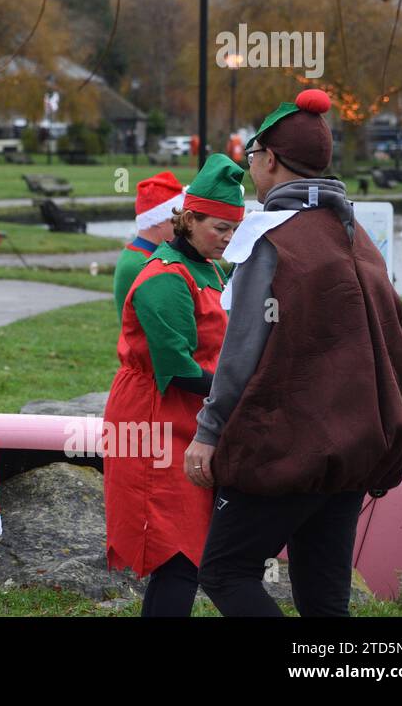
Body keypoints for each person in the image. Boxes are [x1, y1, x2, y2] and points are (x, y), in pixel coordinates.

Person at [186, 89, 402, 617]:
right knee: (323, 593)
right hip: (356, 448)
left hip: (285, 444)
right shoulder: (358, 240)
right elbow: (395, 340)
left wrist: (209, 431)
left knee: (226, 571)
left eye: (252, 158)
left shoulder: (271, 240)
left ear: (268, 159)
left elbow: (242, 349)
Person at [103, 153, 245, 617]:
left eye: (232, 228)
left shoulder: (211, 268)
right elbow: (179, 370)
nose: (227, 237)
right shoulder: (164, 278)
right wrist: (243, 393)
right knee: (177, 553)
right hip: (155, 421)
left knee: (189, 552)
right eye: (218, 227)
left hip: (190, 415)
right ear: (188, 219)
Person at [111, 171, 185, 318]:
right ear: (158, 221)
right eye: (179, 219)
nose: (184, 226)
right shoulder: (137, 264)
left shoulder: (147, 255)